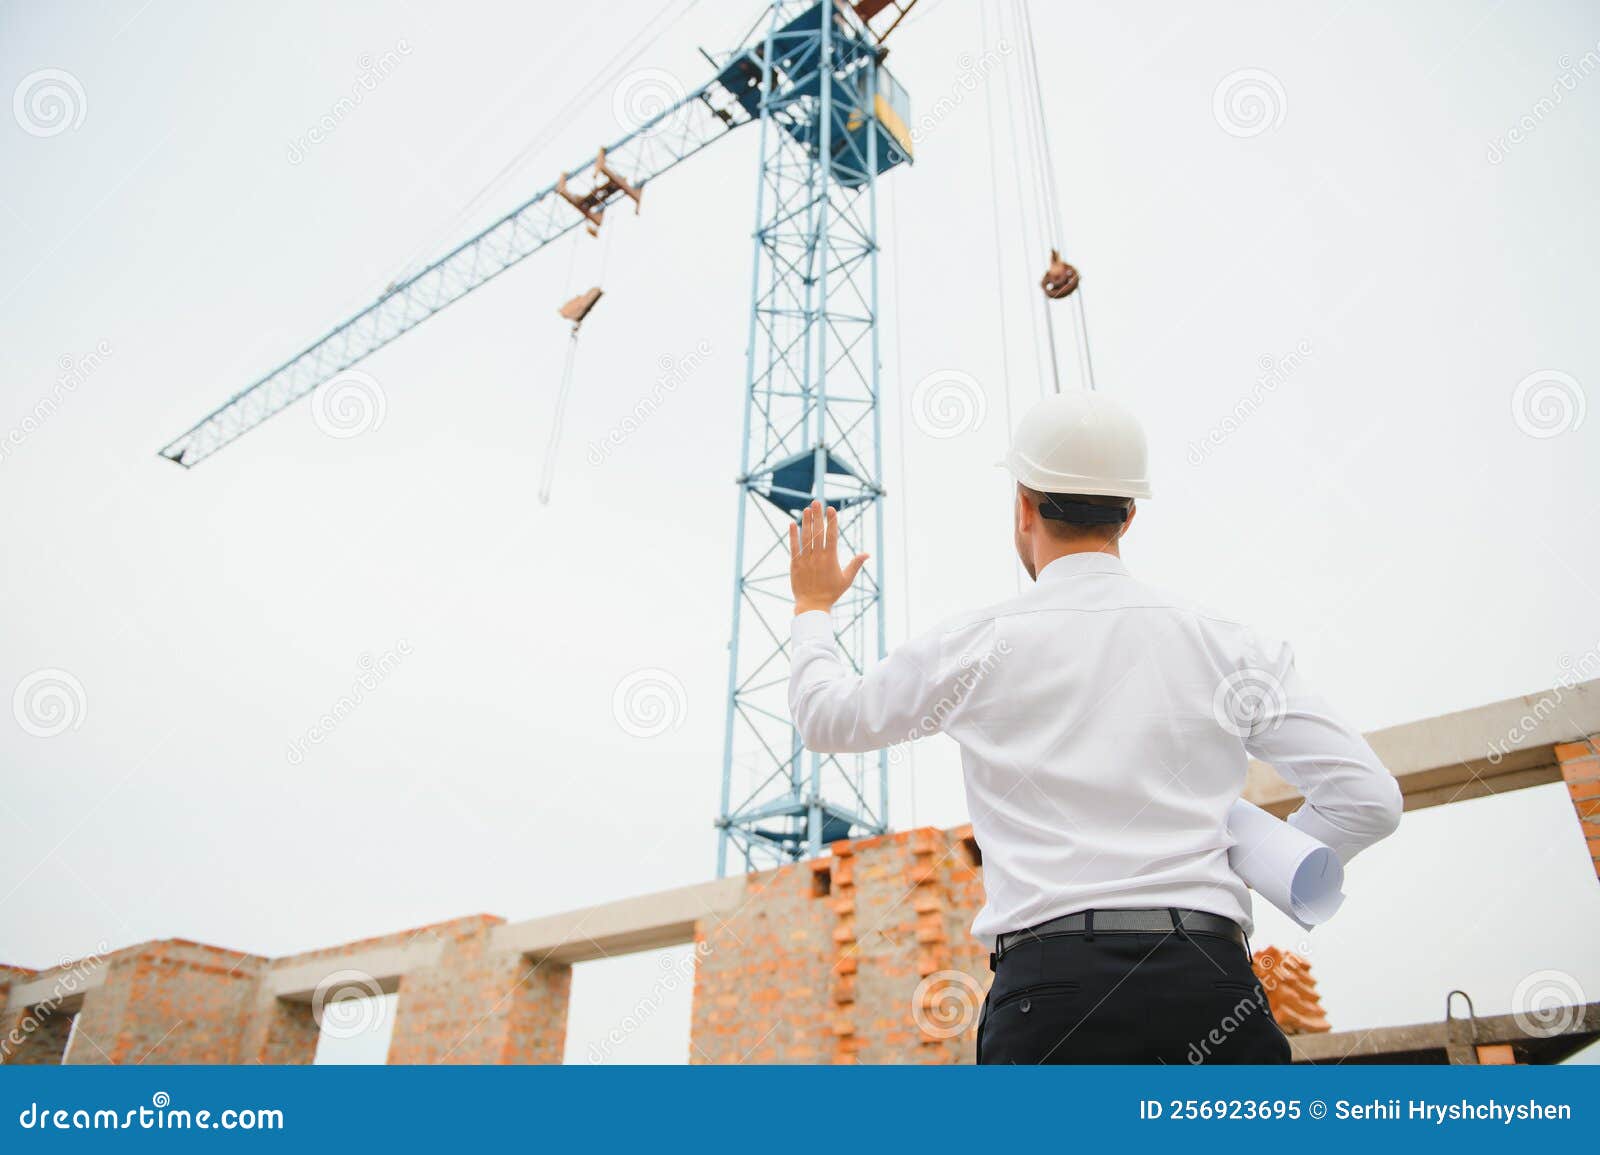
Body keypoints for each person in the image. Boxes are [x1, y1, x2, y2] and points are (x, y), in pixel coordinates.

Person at [785, 389, 1402, 1064]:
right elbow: (1368, 797)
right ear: (1129, 514)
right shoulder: (1228, 645)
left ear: (1023, 505)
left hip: (1049, 997)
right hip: (1207, 980)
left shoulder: (976, 644)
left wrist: (813, 606)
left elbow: (825, 717)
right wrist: (1242, 866)